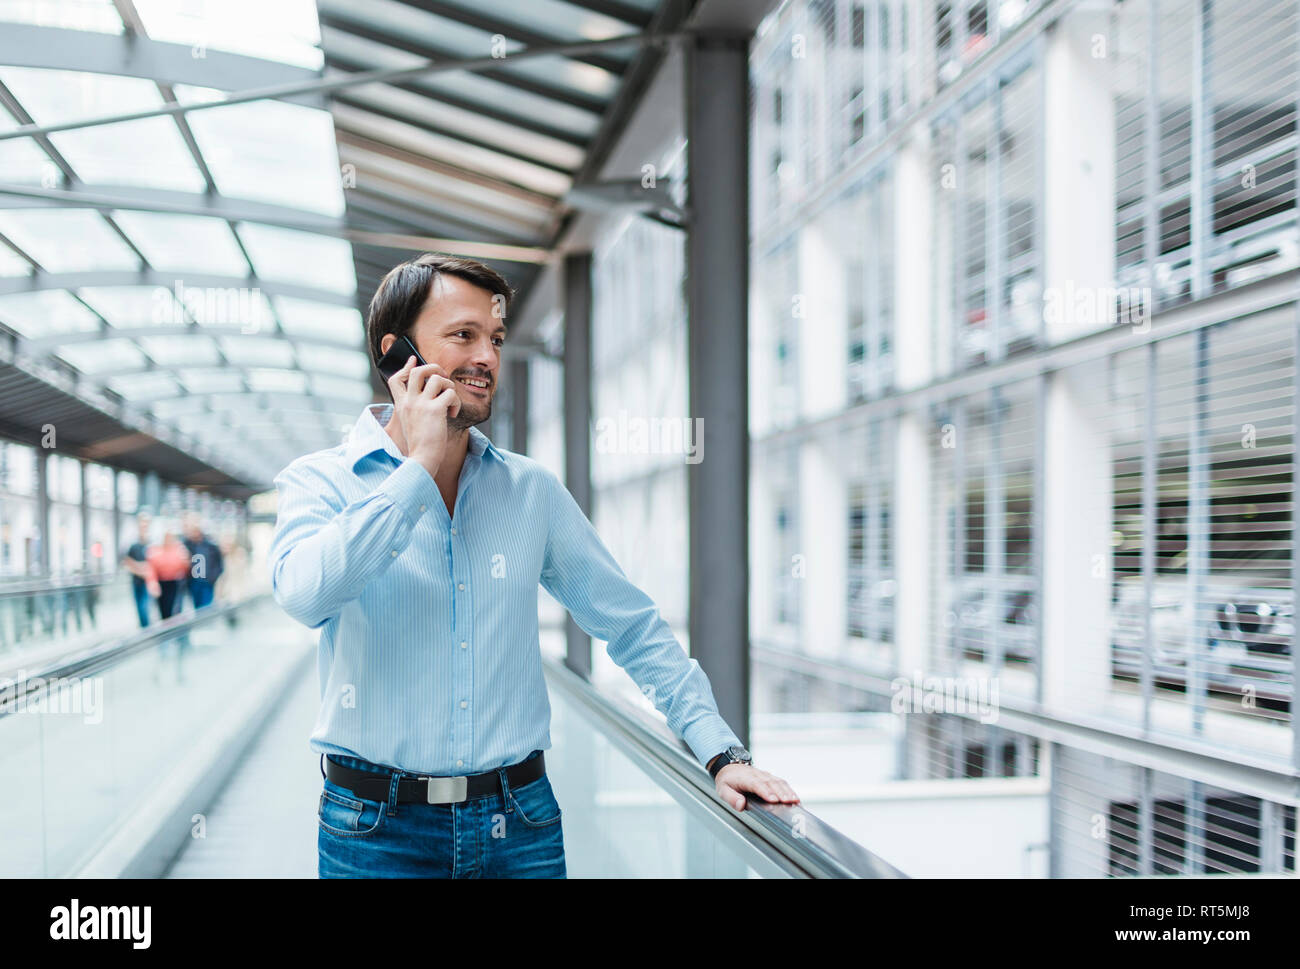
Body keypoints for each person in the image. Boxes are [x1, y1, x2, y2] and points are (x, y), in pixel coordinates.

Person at [269, 253, 800, 880]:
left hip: (518, 826)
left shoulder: (529, 491)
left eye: (495, 338)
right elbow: (306, 595)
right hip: (375, 833)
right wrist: (414, 474)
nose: (488, 358)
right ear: (397, 354)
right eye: (463, 335)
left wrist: (719, 750)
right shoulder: (320, 482)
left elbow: (631, 626)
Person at [121, 513, 157, 628]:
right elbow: (126, 562)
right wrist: (139, 569)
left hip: (149, 582)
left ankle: (147, 629)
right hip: (137, 582)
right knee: (140, 608)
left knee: (145, 607)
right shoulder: (134, 546)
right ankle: (144, 629)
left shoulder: (153, 544)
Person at [182, 514, 223, 609]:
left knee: (206, 607)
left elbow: (219, 564)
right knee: (196, 607)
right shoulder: (187, 544)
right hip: (193, 582)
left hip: (207, 582)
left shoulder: (211, 545)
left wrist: (213, 578)